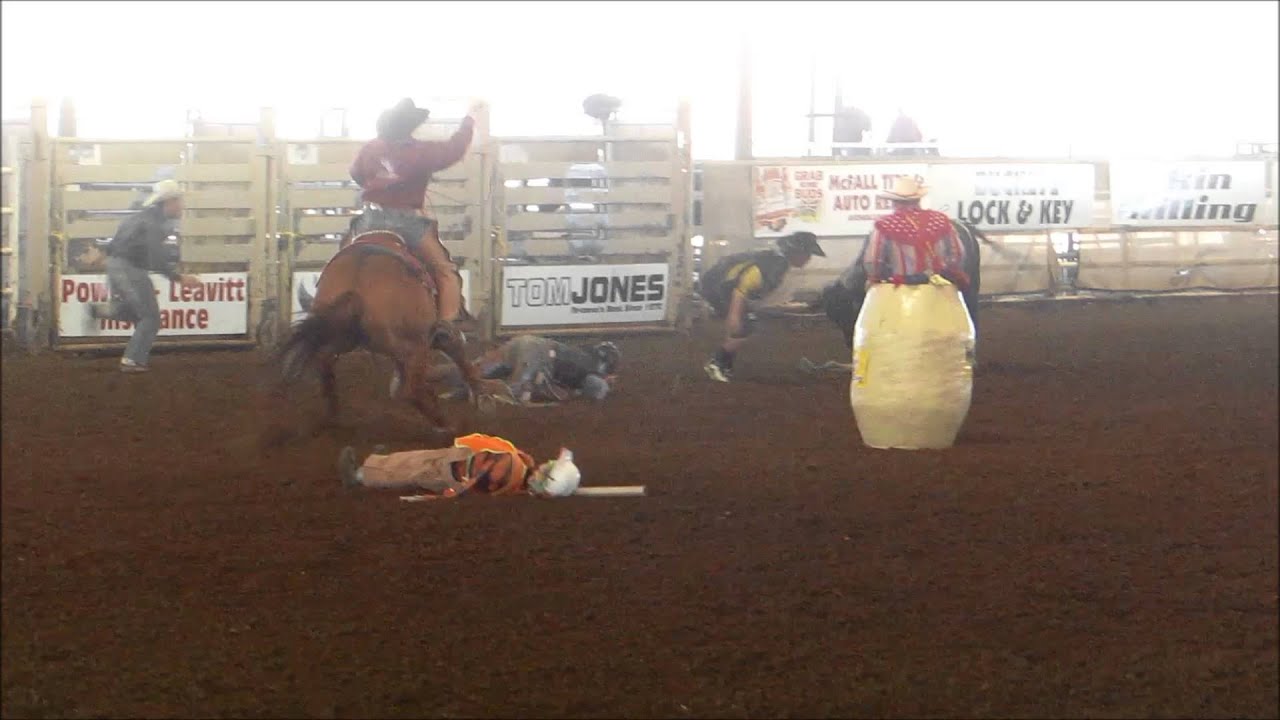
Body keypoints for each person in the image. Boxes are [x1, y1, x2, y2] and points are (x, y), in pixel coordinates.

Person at [348, 97, 484, 333]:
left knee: (345, 257)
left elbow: (356, 174)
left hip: (370, 219)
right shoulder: (420, 152)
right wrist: (469, 120)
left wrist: (377, 185)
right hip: (407, 222)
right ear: (410, 127)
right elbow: (454, 149)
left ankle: (325, 299)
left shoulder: (371, 148)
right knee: (445, 270)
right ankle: (447, 325)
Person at [88, 179, 201, 373]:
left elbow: (117, 242)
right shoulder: (155, 224)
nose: (182, 205)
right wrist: (178, 278)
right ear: (169, 202)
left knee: (137, 314)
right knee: (151, 318)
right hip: (131, 268)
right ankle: (132, 359)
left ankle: (102, 311)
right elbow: (156, 258)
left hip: (115, 265)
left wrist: (103, 255)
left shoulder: (138, 218)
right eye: (179, 200)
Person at [698, 231, 826, 383]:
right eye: (807, 254)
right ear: (796, 252)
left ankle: (724, 364)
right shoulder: (775, 265)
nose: (808, 259)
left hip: (719, 284)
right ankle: (717, 362)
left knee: (744, 324)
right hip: (718, 287)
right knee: (745, 325)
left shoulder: (775, 261)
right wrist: (734, 315)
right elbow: (742, 288)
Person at [338, 433, 538, 500]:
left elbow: (484, 475)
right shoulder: (515, 481)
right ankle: (378, 461)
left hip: (455, 471)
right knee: (413, 462)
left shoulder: (512, 460)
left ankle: (359, 475)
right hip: (457, 466)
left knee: (410, 470)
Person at [430, 336, 621, 405]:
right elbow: (597, 390)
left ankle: (426, 373)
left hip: (526, 342)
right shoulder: (594, 369)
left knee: (475, 369)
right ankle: (480, 393)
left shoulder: (581, 354)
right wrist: (607, 384)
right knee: (515, 393)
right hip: (537, 356)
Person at [863, 176, 970, 293]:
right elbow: (958, 253)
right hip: (939, 291)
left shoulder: (884, 225)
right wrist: (947, 272)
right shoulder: (941, 220)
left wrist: (876, 278)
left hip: (900, 292)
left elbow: (874, 262)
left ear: (894, 202)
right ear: (918, 200)